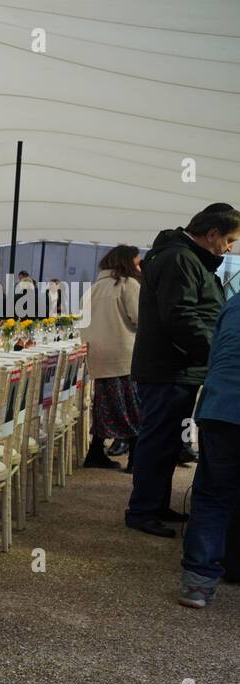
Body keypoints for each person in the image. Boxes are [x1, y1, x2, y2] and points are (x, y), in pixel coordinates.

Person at [127, 203, 240, 537]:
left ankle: (155, 504)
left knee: (165, 443)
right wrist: (217, 351)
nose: (230, 248)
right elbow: (181, 316)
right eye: (229, 240)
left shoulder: (183, 257)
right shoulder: (180, 259)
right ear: (212, 234)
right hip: (169, 368)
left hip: (175, 367)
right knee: (158, 441)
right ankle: (142, 510)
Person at [180, 289, 240, 607]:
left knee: (212, 494)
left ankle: (197, 585)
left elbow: (215, 356)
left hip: (219, 407)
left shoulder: (232, 304)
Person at [84, 245, 142, 469]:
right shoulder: (128, 285)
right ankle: (135, 459)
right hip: (124, 356)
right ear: (126, 262)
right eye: (137, 263)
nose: (139, 267)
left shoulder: (95, 287)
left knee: (104, 408)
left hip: (98, 357)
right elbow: (140, 318)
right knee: (133, 409)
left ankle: (95, 452)